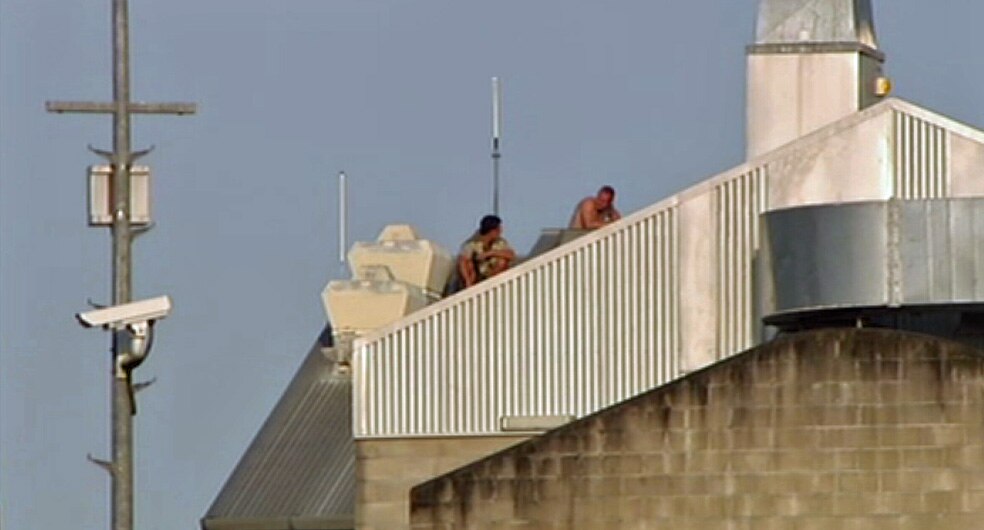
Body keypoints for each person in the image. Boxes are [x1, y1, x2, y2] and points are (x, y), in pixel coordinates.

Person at [458, 215, 516, 288]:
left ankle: (491, 284)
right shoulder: (473, 242)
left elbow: (511, 255)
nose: (500, 232)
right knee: (467, 263)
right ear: (491, 231)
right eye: (498, 230)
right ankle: (469, 287)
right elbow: (462, 261)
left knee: (502, 261)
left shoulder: (500, 242)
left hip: (491, 274)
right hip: (477, 275)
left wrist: (491, 253)